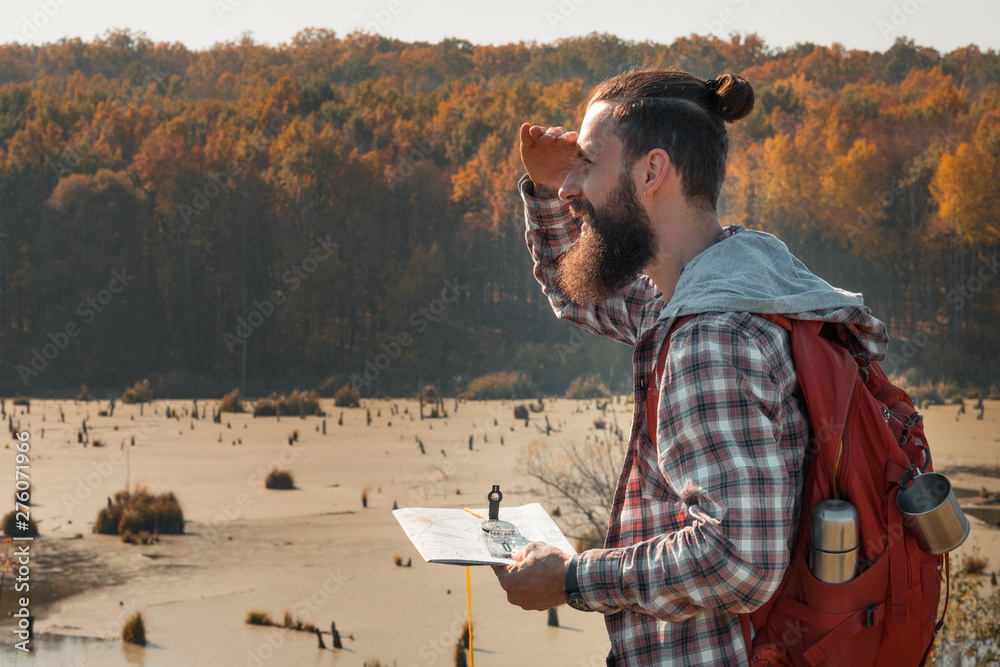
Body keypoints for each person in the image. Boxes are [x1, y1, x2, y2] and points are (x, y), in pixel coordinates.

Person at [492, 68, 889, 666]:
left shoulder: (711, 336)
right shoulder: (744, 289)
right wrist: (549, 185)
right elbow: (578, 289)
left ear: (653, 172)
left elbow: (737, 561)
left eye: (590, 164)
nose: (572, 188)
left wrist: (573, 579)